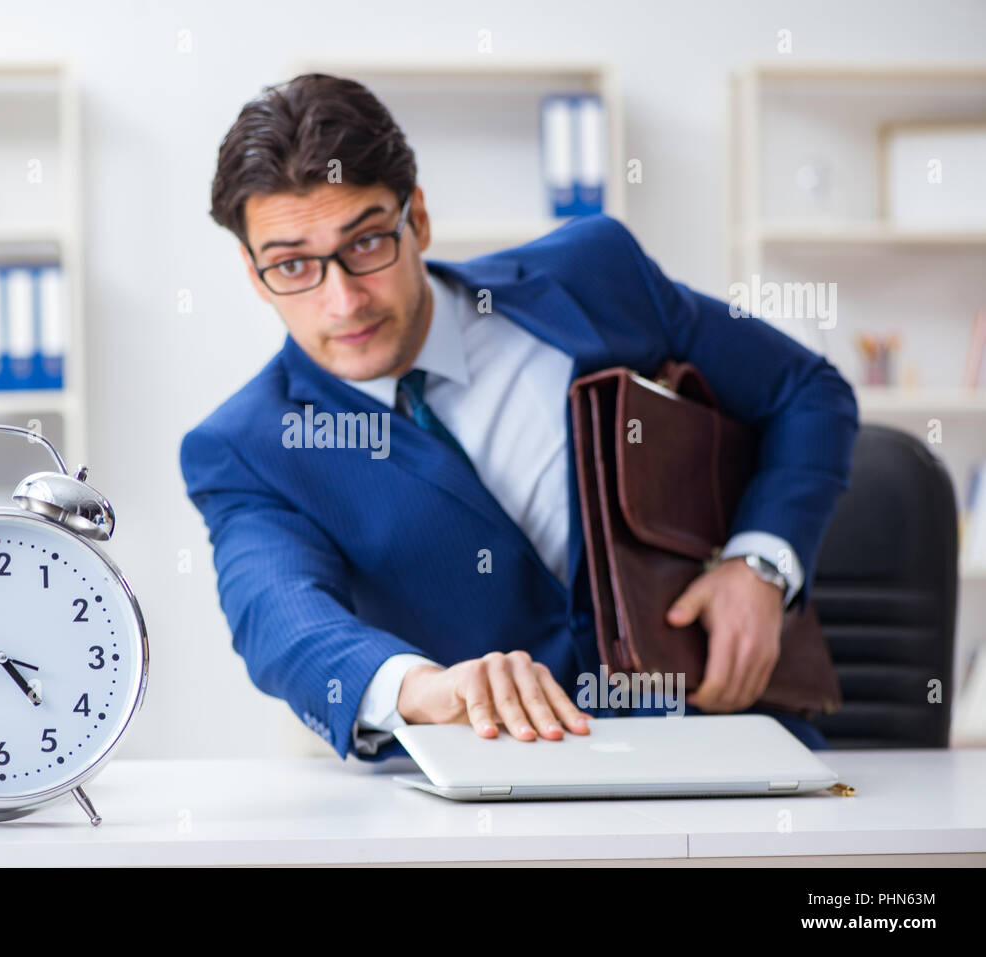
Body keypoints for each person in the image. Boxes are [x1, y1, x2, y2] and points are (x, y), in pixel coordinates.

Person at [180, 73, 858, 762]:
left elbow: (806, 389)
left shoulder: (589, 279)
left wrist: (760, 565)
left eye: (365, 244)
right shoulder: (248, 447)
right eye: (292, 265)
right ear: (252, 270)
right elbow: (281, 616)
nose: (342, 301)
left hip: (733, 746)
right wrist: (422, 689)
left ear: (416, 217)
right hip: (496, 794)